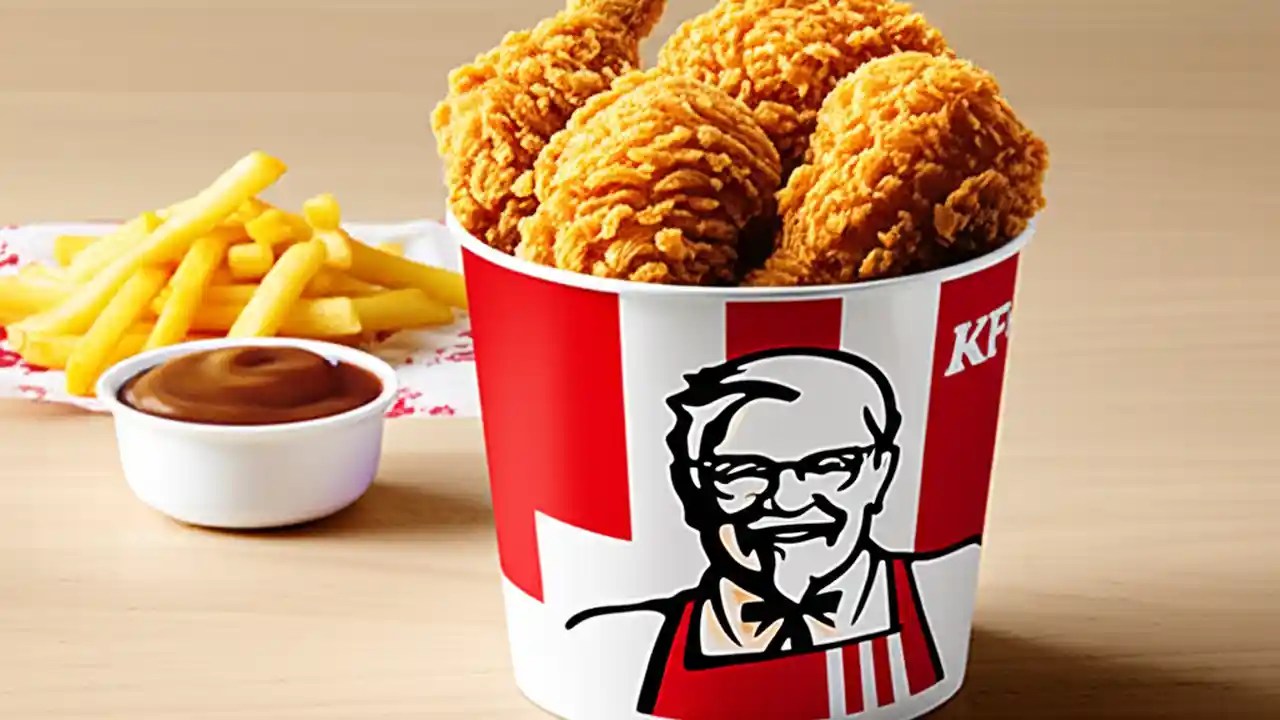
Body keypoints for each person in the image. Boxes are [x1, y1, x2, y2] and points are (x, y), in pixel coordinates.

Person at [568, 348, 975, 718]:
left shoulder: (942, 592)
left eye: (830, 465)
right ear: (690, 489)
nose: (788, 501)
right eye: (742, 472)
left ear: (880, 473)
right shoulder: (616, 640)